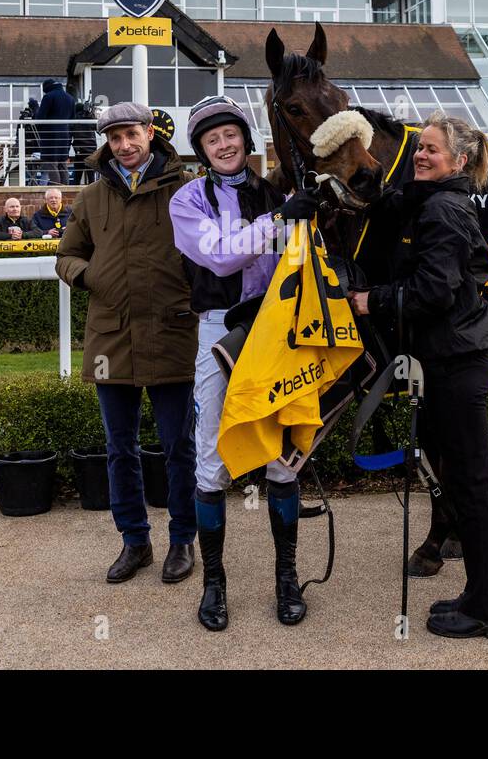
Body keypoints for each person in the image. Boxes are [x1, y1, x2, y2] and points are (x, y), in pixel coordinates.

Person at [349, 113, 488, 640]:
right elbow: (394, 203)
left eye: (432, 151)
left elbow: (431, 293)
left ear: (459, 161)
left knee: (470, 483)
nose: (420, 155)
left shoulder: (444, 210)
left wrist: (367, 300)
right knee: (474, 481)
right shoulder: (436, 200)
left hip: (456, 364)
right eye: (419, 147)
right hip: (456, 358)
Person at [170, 96, 327, 630]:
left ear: (245, 137)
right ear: (202, 150)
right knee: (212, 461)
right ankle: (214, 584)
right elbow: (219, 254)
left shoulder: (274, 190)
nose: (224, 145)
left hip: (274, 331)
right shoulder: (187, 200)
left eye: (231, 135)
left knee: (282, 458)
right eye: (212, 140)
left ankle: (287, 577)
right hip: (218, 327)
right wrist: (281, 218)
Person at [56, 101, 198, 586]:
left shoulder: (185, 188)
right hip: (110, 335)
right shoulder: (93, 196)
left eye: (131, 134)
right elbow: (67, 256)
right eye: (114, 138)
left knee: (180, 446)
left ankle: (183, 540)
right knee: (120, 448)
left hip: (174, 331)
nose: (124, 145)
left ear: (149, 134)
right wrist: (90, 275)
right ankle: (134, 541)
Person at [35, 79, 75, 184]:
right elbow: (73, 120)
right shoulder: (70, 98)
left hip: (50, 136)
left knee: (50, 163)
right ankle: (65, 190)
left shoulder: (48, 97)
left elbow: (39, 119)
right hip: (65, 135)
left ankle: (57, 189)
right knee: (62, 164)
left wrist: (36, 111)